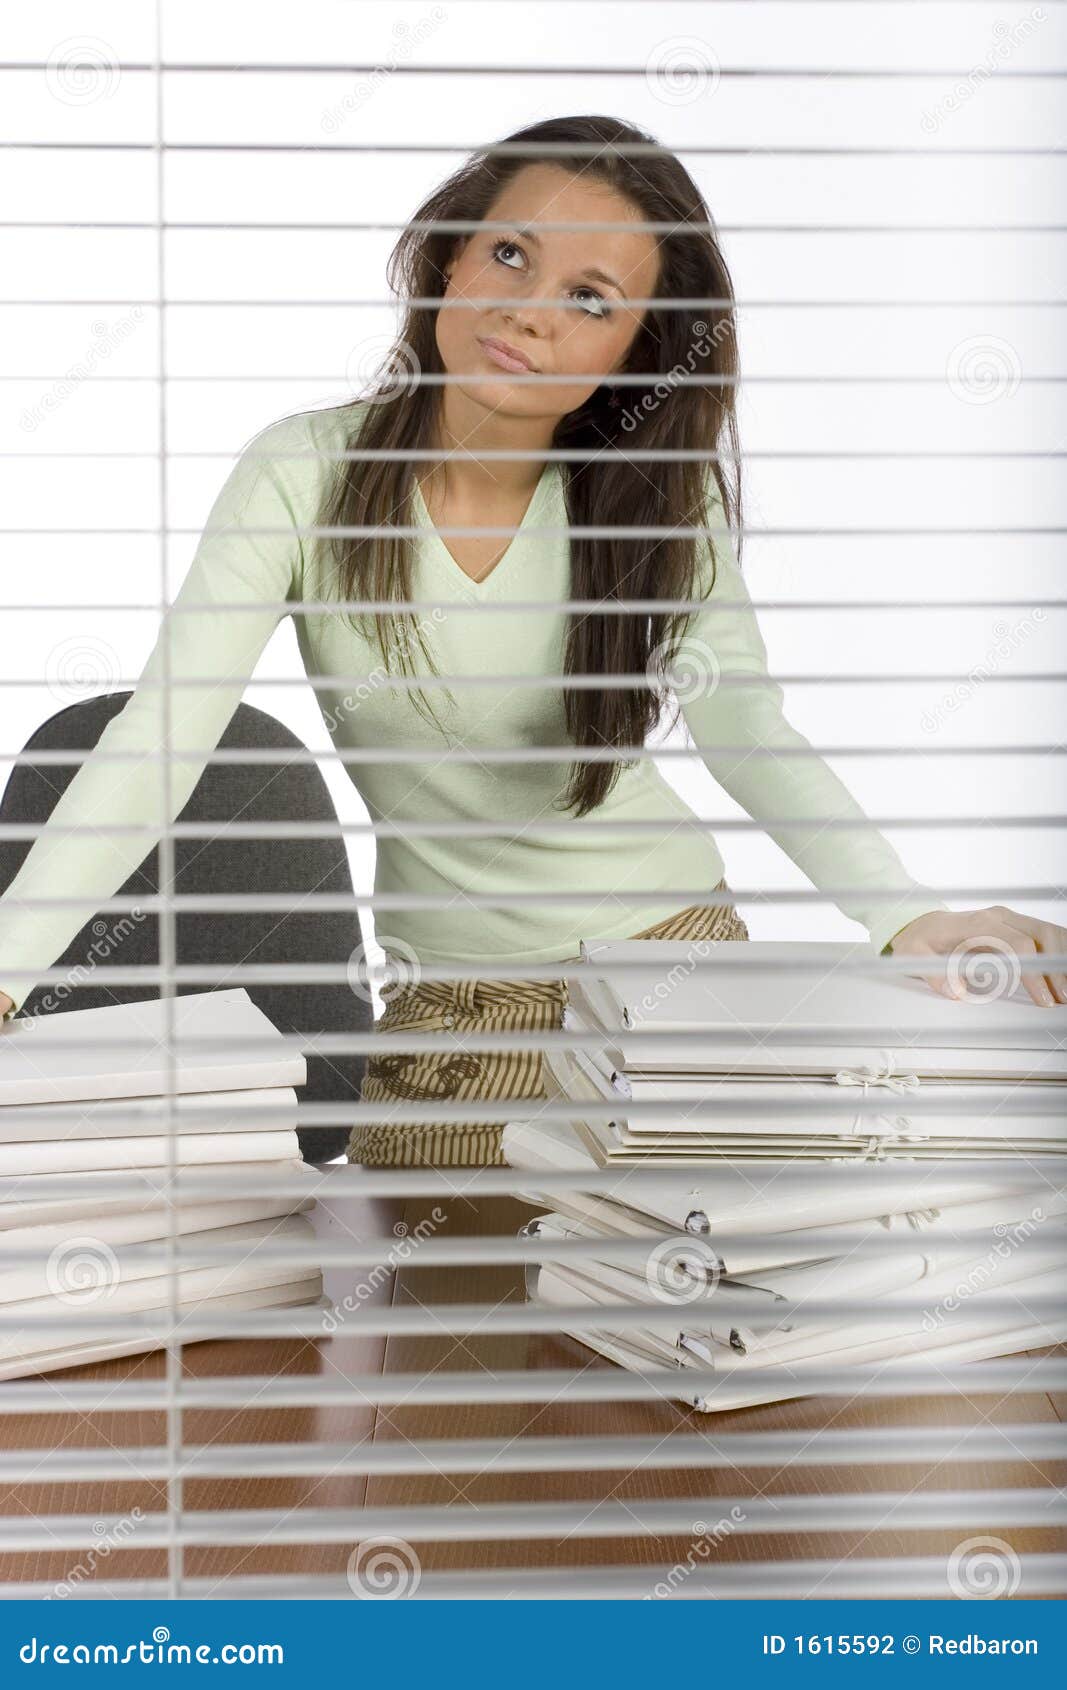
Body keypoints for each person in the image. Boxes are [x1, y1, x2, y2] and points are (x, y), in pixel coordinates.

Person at [1, 115, 1063, 1170]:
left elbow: (741, 723)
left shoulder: (655, 496)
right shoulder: (299, 476)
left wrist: (902, 911)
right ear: (450, 255)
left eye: (588, 299)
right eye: (509, 253)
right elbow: (162, 740)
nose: (527, 311)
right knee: (432, 1311)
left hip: (666, 972)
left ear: (632, 348)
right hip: (453, 1017)